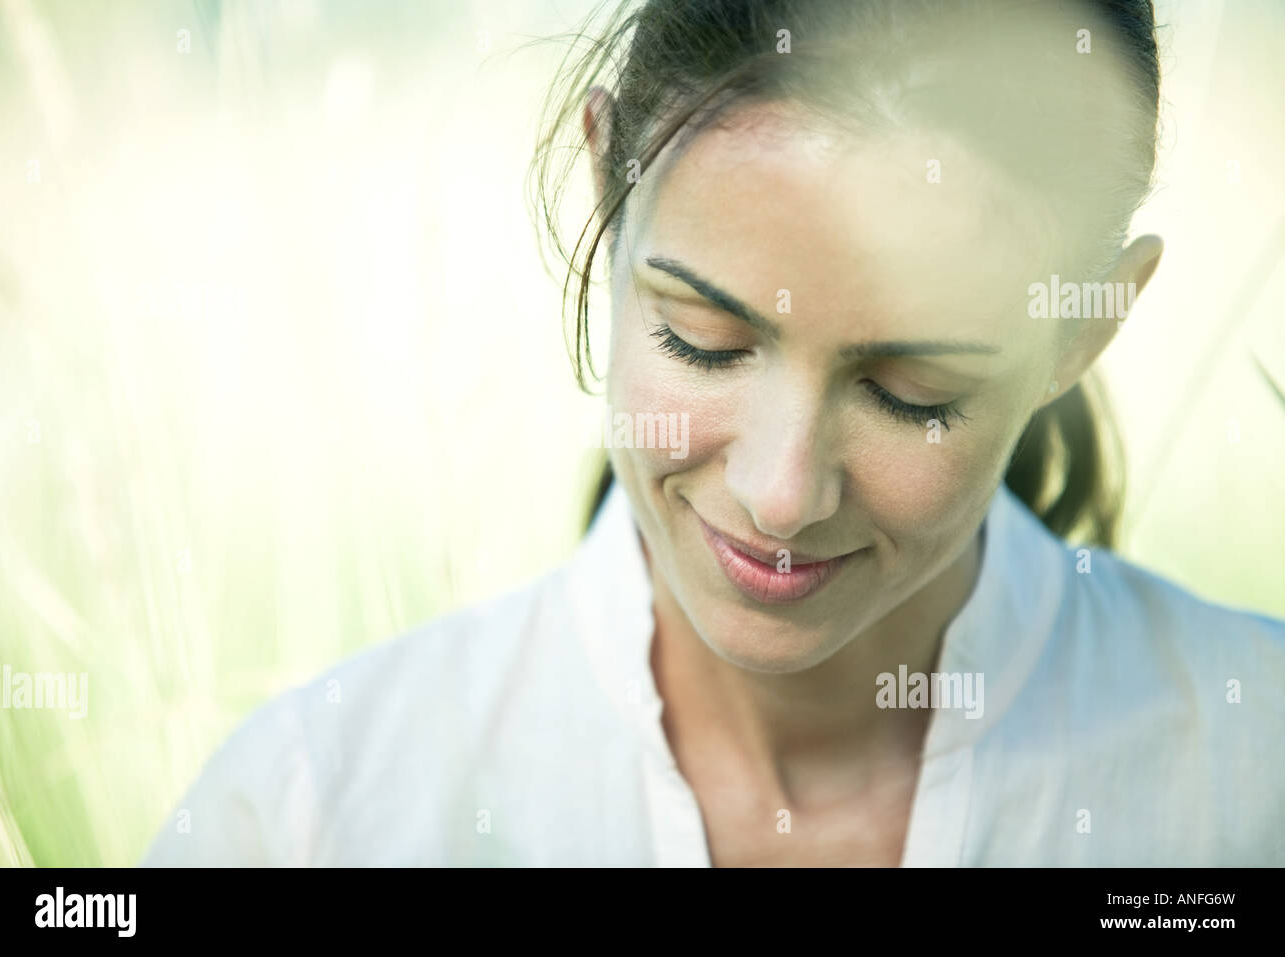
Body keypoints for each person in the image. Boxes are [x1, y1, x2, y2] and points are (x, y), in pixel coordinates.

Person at [142, 0, 1285, 867]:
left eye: (912, 390)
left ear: (1084, 332)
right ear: (605, 185)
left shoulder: (1252, 777)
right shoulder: (315, 814)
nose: (782, 496)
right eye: (701, 340)